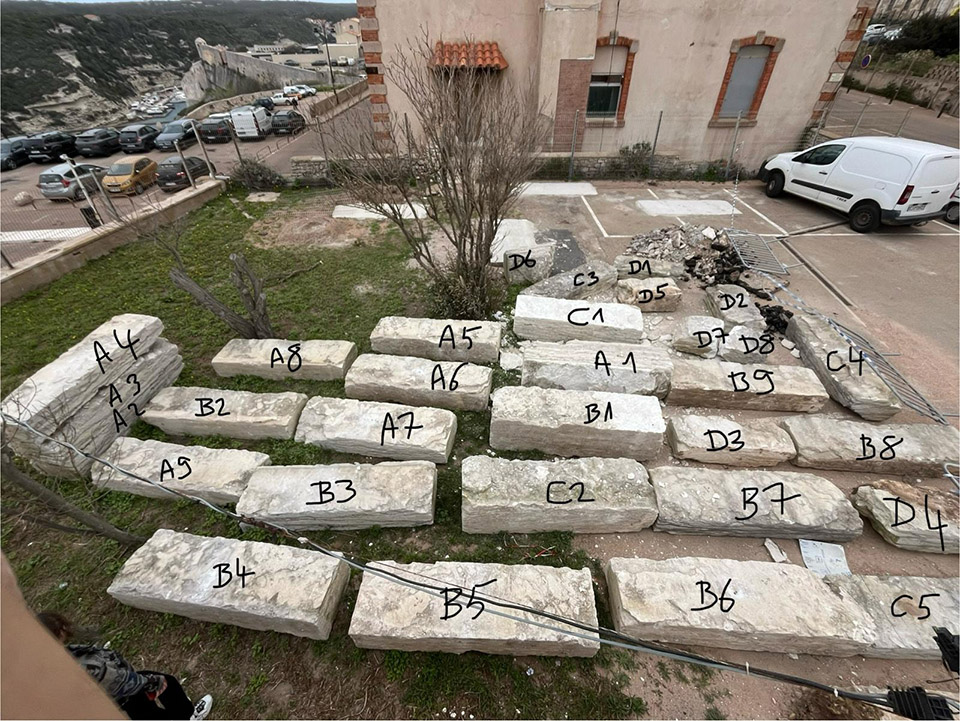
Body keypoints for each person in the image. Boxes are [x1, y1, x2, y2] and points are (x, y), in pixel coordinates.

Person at [37, 612, 212, 720]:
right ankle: (188, 716)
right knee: (168, 684)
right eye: (63, 628)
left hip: (111, 700)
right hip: (124, 693)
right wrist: (151, 683)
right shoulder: (84, 667)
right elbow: (117, 681)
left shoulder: (47, 658)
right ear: (59, 633)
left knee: (147, 714)